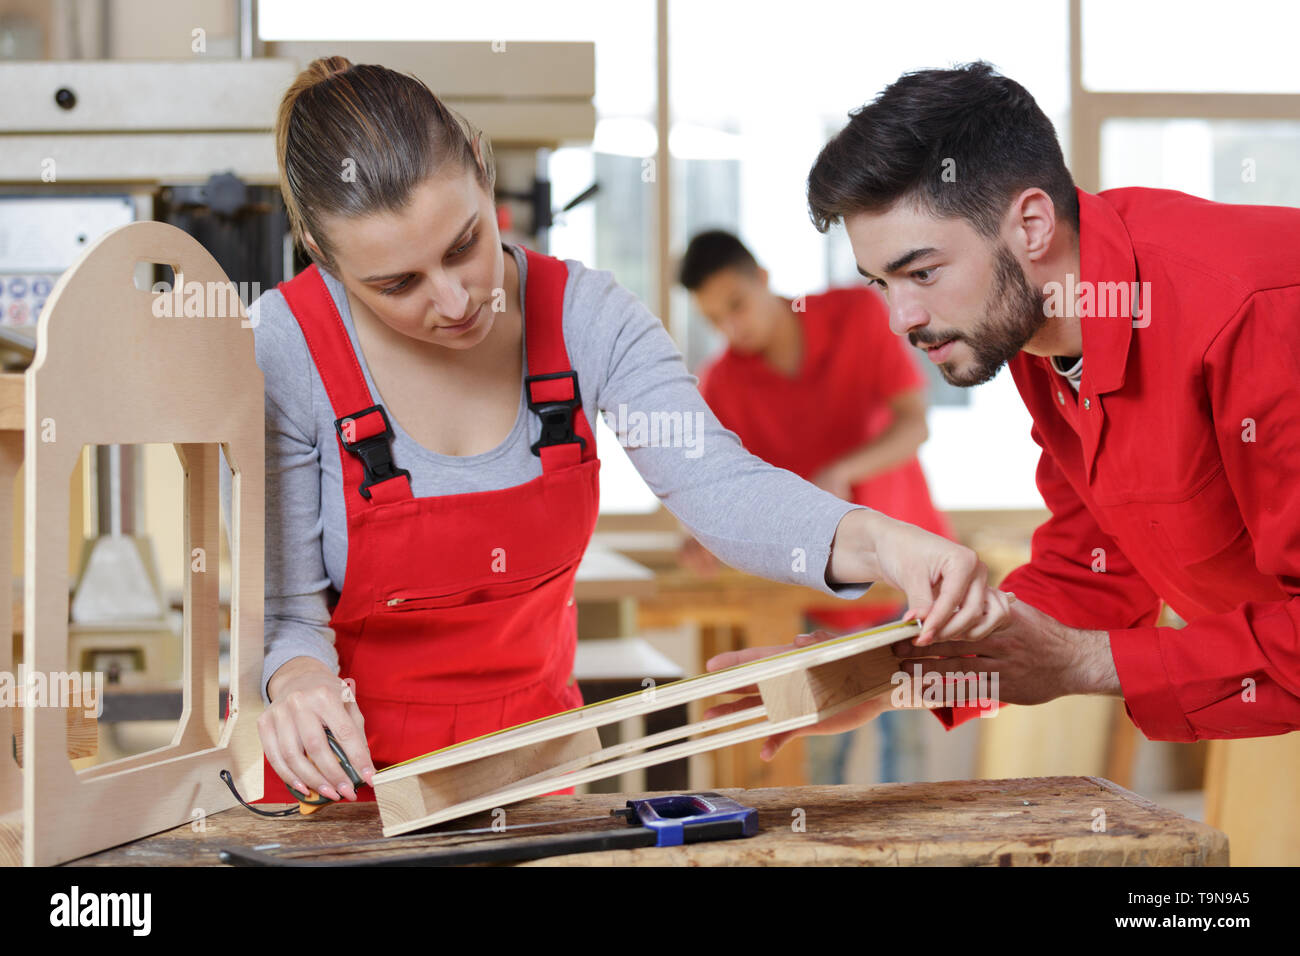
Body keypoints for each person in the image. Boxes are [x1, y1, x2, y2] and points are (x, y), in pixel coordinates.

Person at [243, 57, 1010, 804]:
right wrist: (301, 681)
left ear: (482, 168)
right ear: (322, 255)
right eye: (397, 284)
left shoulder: (588, 319)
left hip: (531, 782)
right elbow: (287, 617)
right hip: (340, 786)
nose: (452, 301)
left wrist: (885, 543)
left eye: (463, 246)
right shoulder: (287, 344)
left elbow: (723, 490)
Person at [723, 59, 1300, 755]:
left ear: (1031, 224)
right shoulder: (1043, 330)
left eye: (922, 272)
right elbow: (1091, 571)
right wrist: (881, 677)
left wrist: (1084, 661)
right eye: (881, 283)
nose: (901, 319)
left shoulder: (1257, 315)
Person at [679, 229, 954, 780]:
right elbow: (718, 485)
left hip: (904, 574)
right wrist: (700, 528)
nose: (733, 327)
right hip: (813, 590)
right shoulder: (722, 383)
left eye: (736, 304)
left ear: (762, 278)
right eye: (715, 319)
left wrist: (843, 470)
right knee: (819, 751)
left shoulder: (856, 314)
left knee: (907, 751)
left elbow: (914, 423)